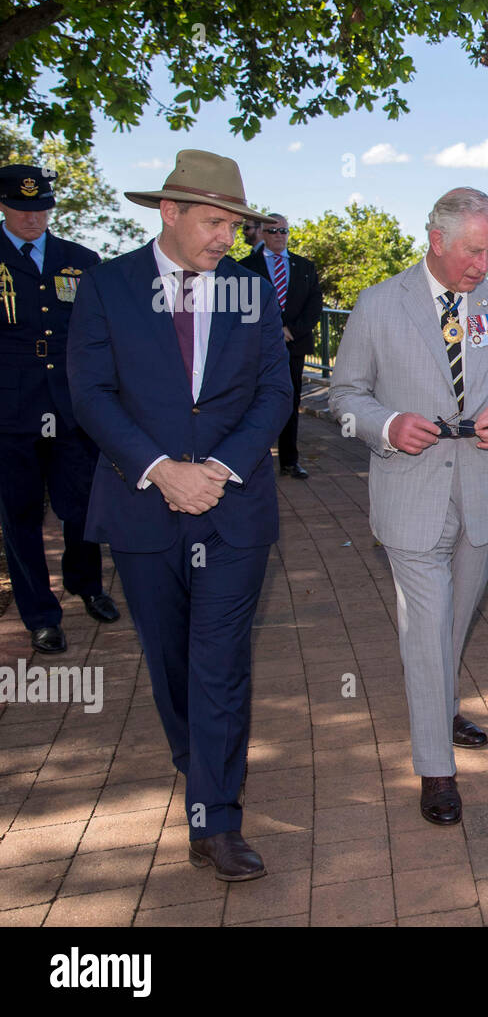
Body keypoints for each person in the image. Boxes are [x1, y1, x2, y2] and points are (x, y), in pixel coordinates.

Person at [67, 150, 292, 881]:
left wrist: (218, 470)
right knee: (170, 665)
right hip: (143, 507)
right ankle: (200, 763)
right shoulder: (107, 287)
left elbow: (274, 394)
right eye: (215, 221)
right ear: (169, 212)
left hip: (233, 508)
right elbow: (91, 393)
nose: (228, 236)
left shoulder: (251, 290)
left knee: (220, 662)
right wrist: (163, 471)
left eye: (236, 224)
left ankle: (215, 818)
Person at [330, 187, 488, 826]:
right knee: (426, 627)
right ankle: (436, 769)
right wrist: (387, 425)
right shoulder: (378, 304)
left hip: (480, 494)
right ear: (437, 240)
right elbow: (343, 394)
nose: (484, 264)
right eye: (475, 250)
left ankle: (440, 703)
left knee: (453, 622)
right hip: (410, 495)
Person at [0, 164, 119, 653]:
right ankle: (40, 613)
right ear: (4, 207)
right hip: (10, 410)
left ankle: (86, 584)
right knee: (20, 514)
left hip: (73, 407)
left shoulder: (80, 259)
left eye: (42, 208)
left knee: (82, 504)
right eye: (24, 210)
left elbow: (101, 334)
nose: (34, 219)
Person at [243, 213, 323, 479]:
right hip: (257, 347)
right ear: (263, 233)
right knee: (255, 402)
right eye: (273, 230)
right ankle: (254, 460)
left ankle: (290, 461)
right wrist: (271, 331)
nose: (279, 235)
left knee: (290, 402)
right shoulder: (245, 267)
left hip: (293, 347)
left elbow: (313, 308)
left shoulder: (305, 268)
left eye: (284, 231)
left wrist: (290, 331)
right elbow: (243, 309)